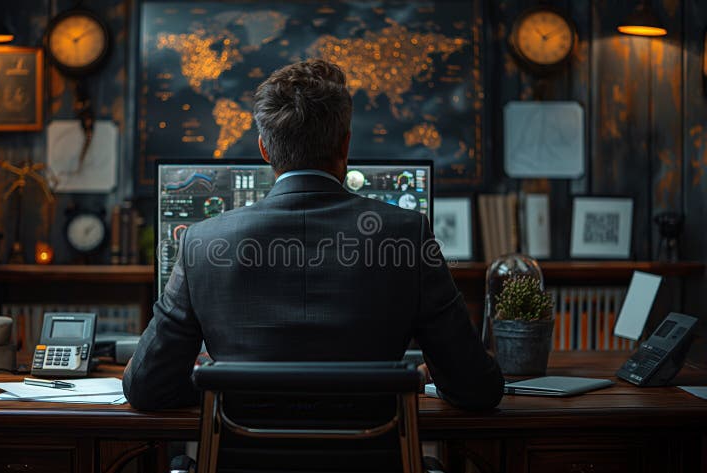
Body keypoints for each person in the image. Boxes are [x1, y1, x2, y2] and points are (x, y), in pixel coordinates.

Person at [123, 59, 503, 410]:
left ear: (264, 149)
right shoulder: (408, 234)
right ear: (345, 144)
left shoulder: (201, 243)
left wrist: (216, 386)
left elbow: (145, 386)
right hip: (367, 456)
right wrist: (412, 381)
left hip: (248, 457)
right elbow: (477, 388)